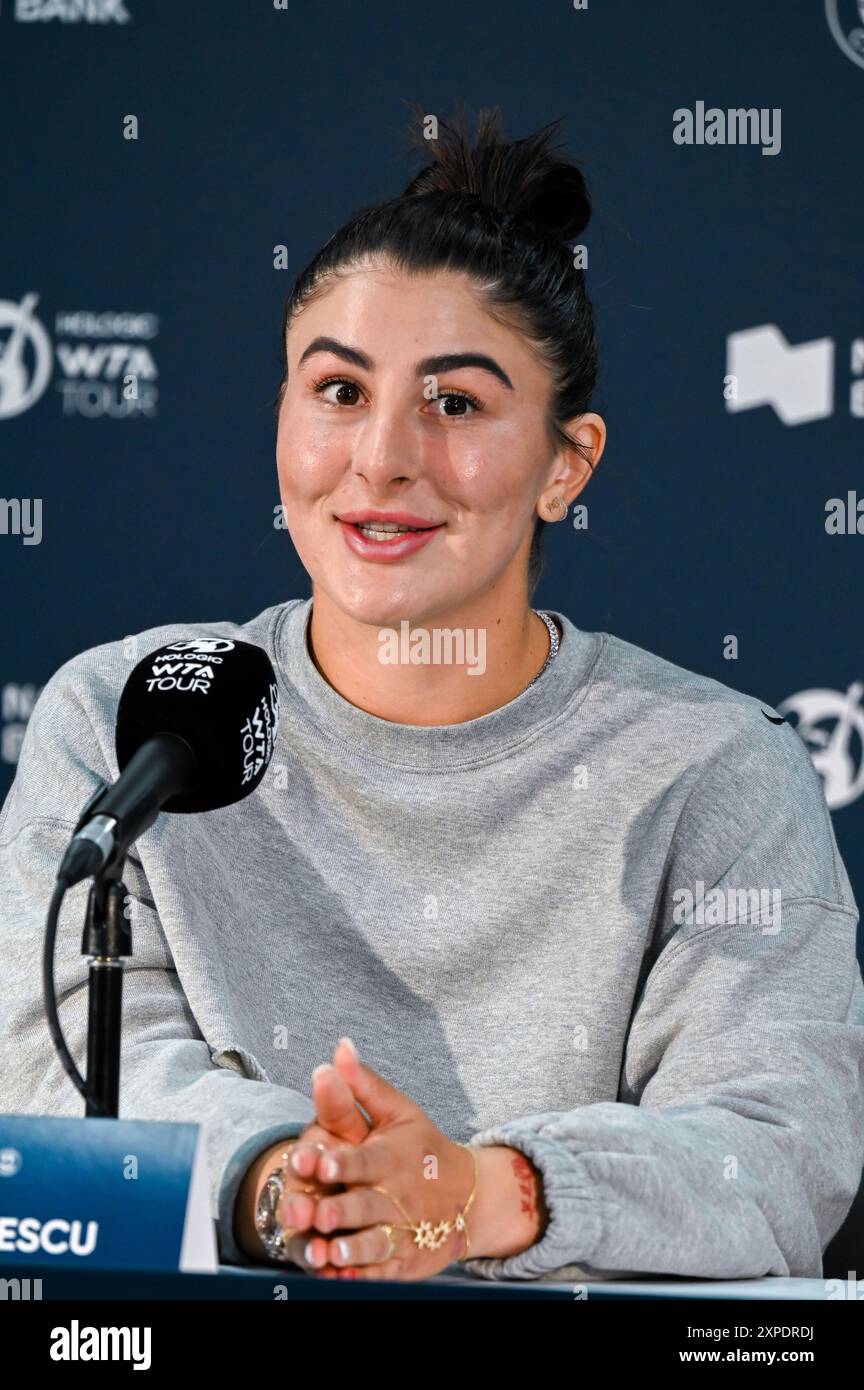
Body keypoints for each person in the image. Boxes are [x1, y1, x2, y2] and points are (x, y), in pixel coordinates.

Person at [1, 103, 862, 1285]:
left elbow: (774, 1156)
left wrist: (475, 1197)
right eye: (340, 392)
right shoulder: (126, 715)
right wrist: (301, 1192)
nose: (382, 458)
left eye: (455, 403)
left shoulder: (715, 766)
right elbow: (59, 1090)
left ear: (569, 463)